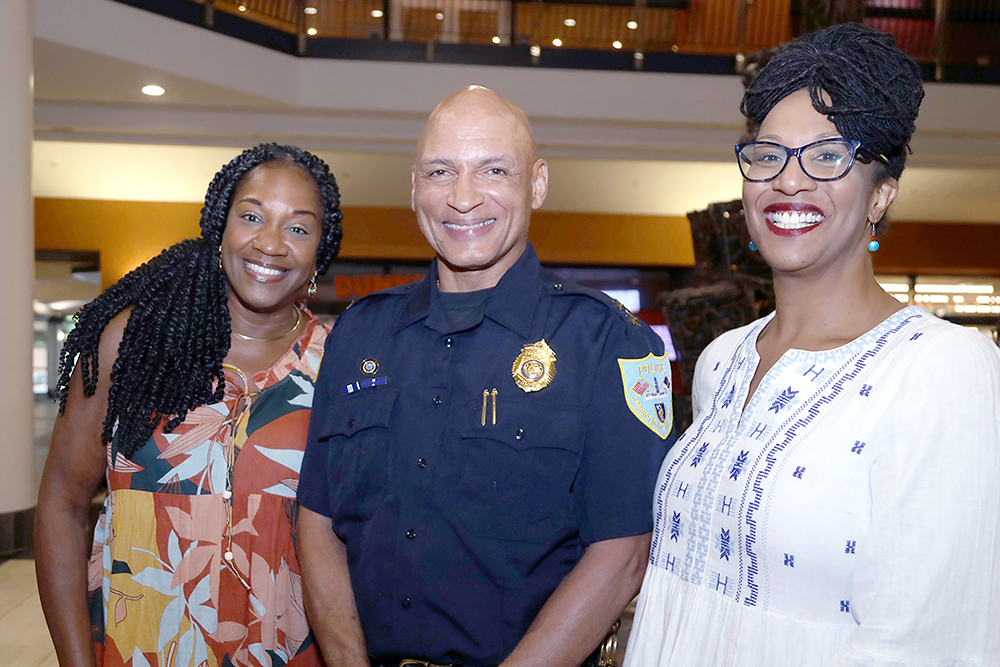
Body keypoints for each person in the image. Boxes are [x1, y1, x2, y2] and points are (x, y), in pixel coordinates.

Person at [624, 23, 1000, 667]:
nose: (788, 181)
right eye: (767, 155)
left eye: (827, 156)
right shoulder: (725, 359)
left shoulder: (944, 370)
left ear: (882, 193)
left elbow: (926, 644)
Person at [296, 85, 674, 667]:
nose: (462, 198)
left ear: (537, 183)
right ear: (415, 185)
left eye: (493, 170)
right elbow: (318, 520)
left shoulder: (608, 341)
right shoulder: (358, 335)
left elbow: (624, 551)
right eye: (440, 171)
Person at [34, 143, 344, 667]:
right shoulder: (131, 345)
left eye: (298, 227)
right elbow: (62, 504)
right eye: (251, 216)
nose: (270, 243)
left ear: (321, 250)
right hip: (143, 650)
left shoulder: (339, 363)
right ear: (220, 225)